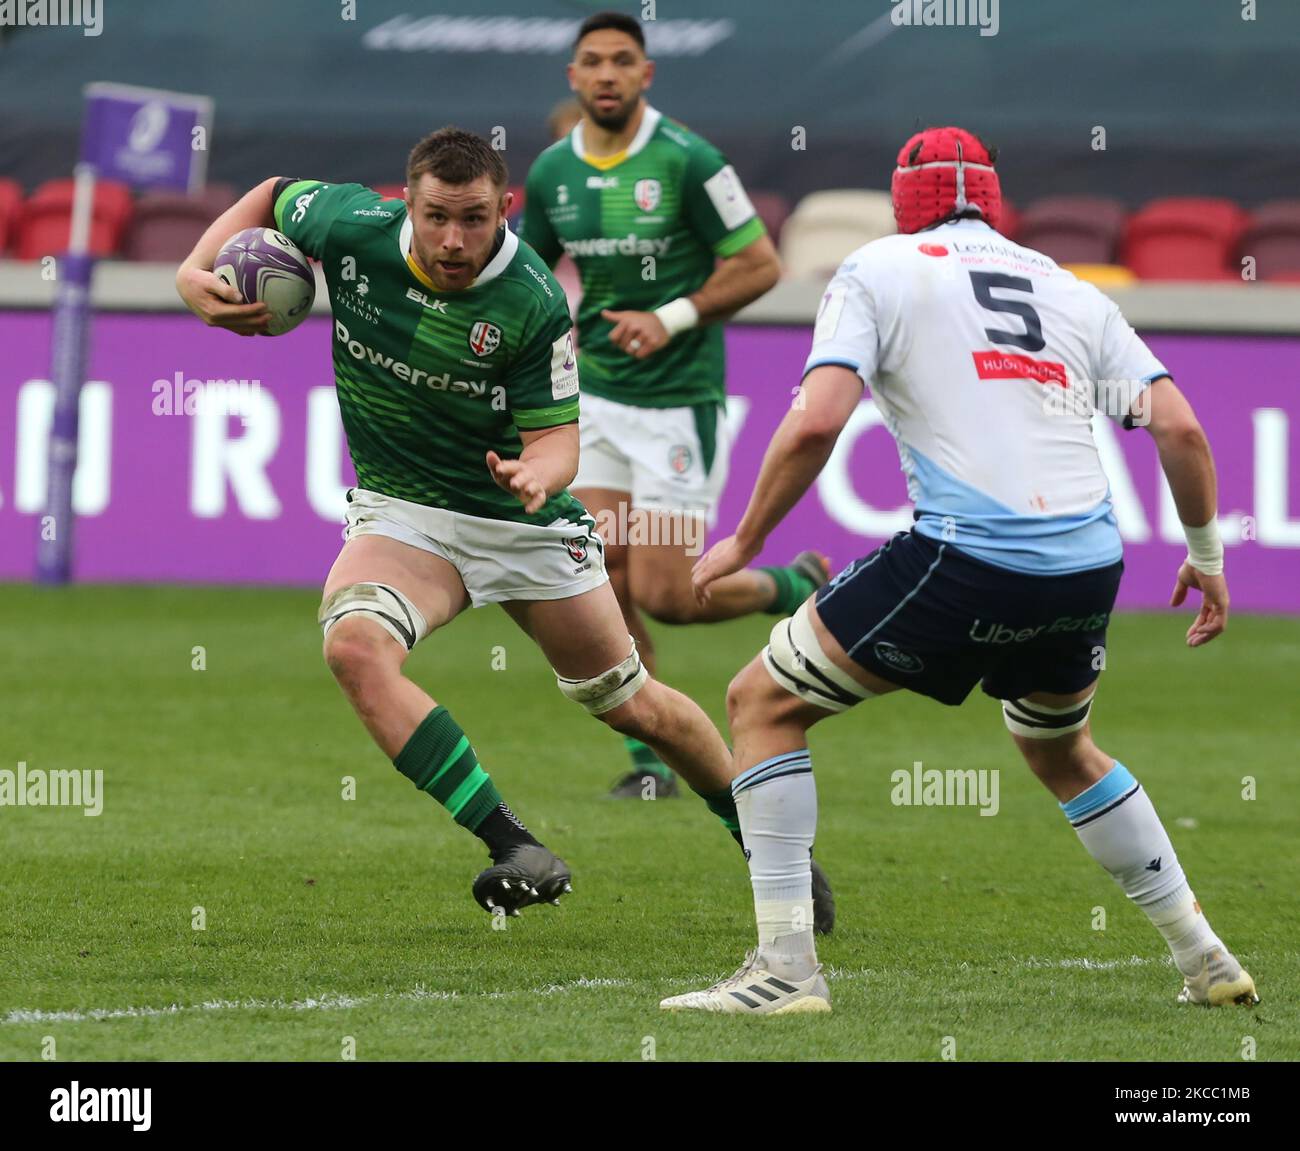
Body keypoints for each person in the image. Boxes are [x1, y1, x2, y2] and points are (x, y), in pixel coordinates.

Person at [663, 127, 1258, 1013]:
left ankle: (786, 968)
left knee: (762, 702)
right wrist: (1206, 556)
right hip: (1088, 564)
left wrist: (747, 539)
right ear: (994, 195)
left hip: (967, 553)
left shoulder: (876, 269)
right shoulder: (1069, 287)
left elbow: (820, 419)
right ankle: (1203, 954)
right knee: (1061, 748)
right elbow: (1181, 428)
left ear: (904, 200)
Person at [174, 126, 747, 920]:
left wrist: (536, 474)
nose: (454, 239)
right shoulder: (350, 226)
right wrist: (193, 268)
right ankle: (514, 844)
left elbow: (558, 440)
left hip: (521, 519)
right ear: (404, 202)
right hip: (405, 513)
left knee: (630, 702)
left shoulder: (532, 297)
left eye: (475, 218)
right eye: (437, 215)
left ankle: (765, 837)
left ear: (504, 209)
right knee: (353, 646)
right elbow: (270, 191)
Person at [520, 10, 829, 800]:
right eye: (593, 62)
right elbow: (525, 272)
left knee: (667, 591)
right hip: (595, 401)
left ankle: (793, 587)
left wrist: (673, 317)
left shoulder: (689, 161)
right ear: (574, 78)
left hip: (676, 407)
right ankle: (649, 763)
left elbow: (759, 263)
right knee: (601, 573)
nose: (608, 74)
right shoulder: (555, 171)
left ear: (646, 74)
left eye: (624, 61)